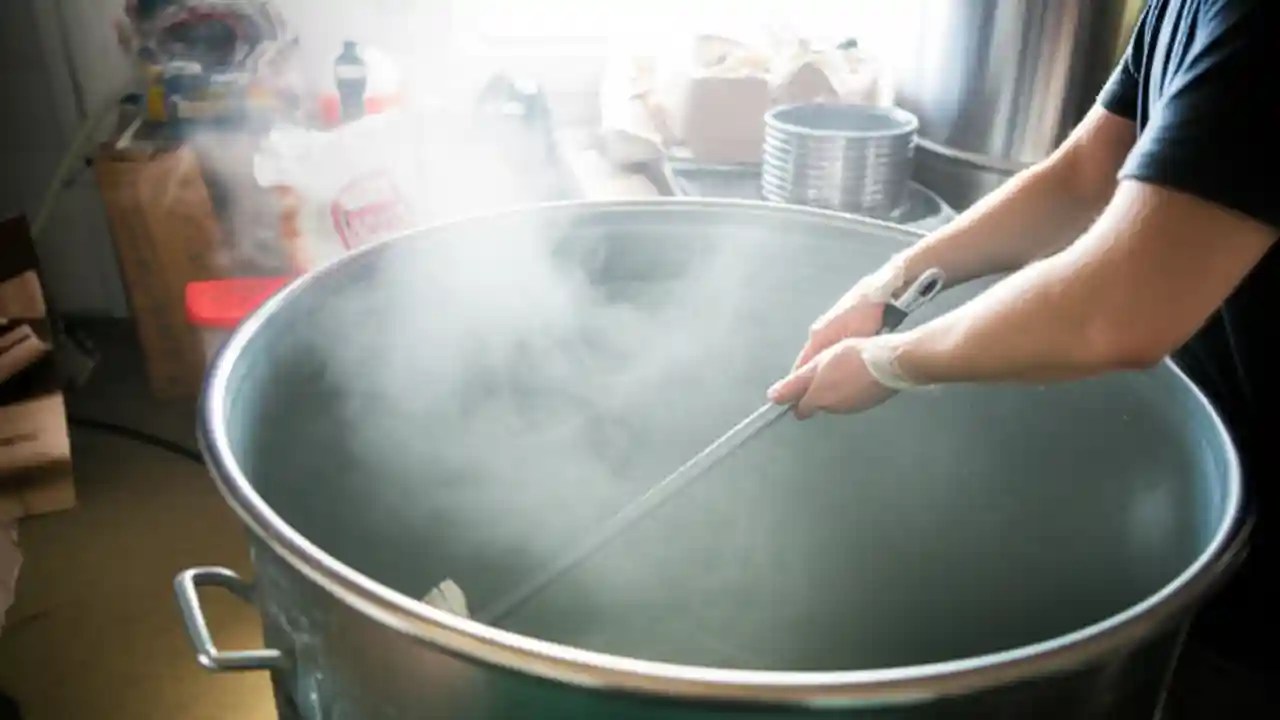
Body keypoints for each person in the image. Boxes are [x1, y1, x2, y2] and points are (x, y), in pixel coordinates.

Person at [768, 0, 1276, 714]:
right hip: (1240, 494)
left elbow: (1118, 307)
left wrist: (891, 362)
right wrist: (890, 283)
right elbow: (1084, 175)